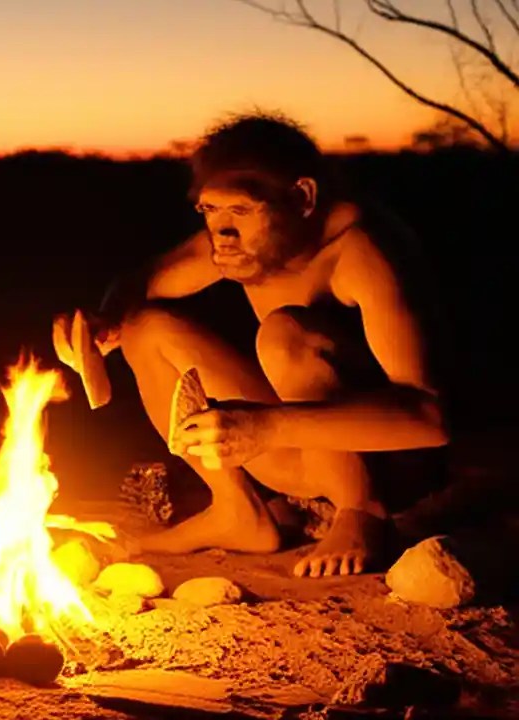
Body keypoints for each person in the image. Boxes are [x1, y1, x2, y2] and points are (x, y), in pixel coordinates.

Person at [63, 112, 450, 578]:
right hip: (297, 452)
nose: (223, 232)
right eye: (210, 211)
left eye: (242, 210)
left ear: (302, 198)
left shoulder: (364, 254)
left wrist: (266, 428)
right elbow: (143, 282)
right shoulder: (241, 244)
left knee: (286, 333)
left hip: (393, 464)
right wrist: (103, 321)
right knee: (146, 326)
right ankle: (236, 512)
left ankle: (359, 513)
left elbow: (430, 420)